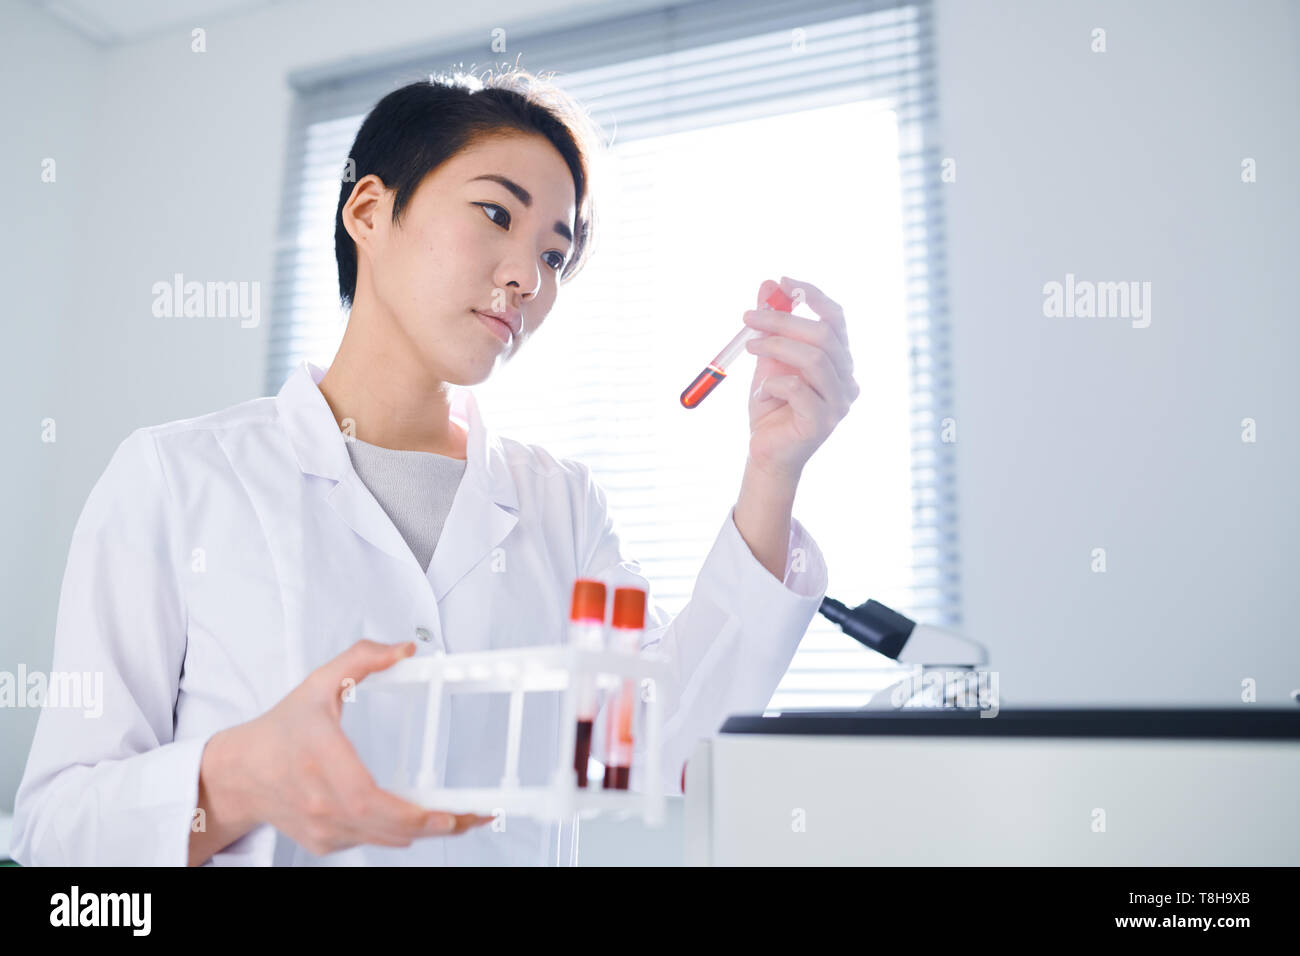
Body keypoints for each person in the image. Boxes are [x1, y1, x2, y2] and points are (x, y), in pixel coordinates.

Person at [10, 67, 858, 866]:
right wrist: (241, 776)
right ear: (370, 214)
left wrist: (773, 470)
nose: (527, 276)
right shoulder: (177, 478)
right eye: (497, 214)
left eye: (556, 255)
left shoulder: (561, 504)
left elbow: (653, 747)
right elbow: (58, 836)